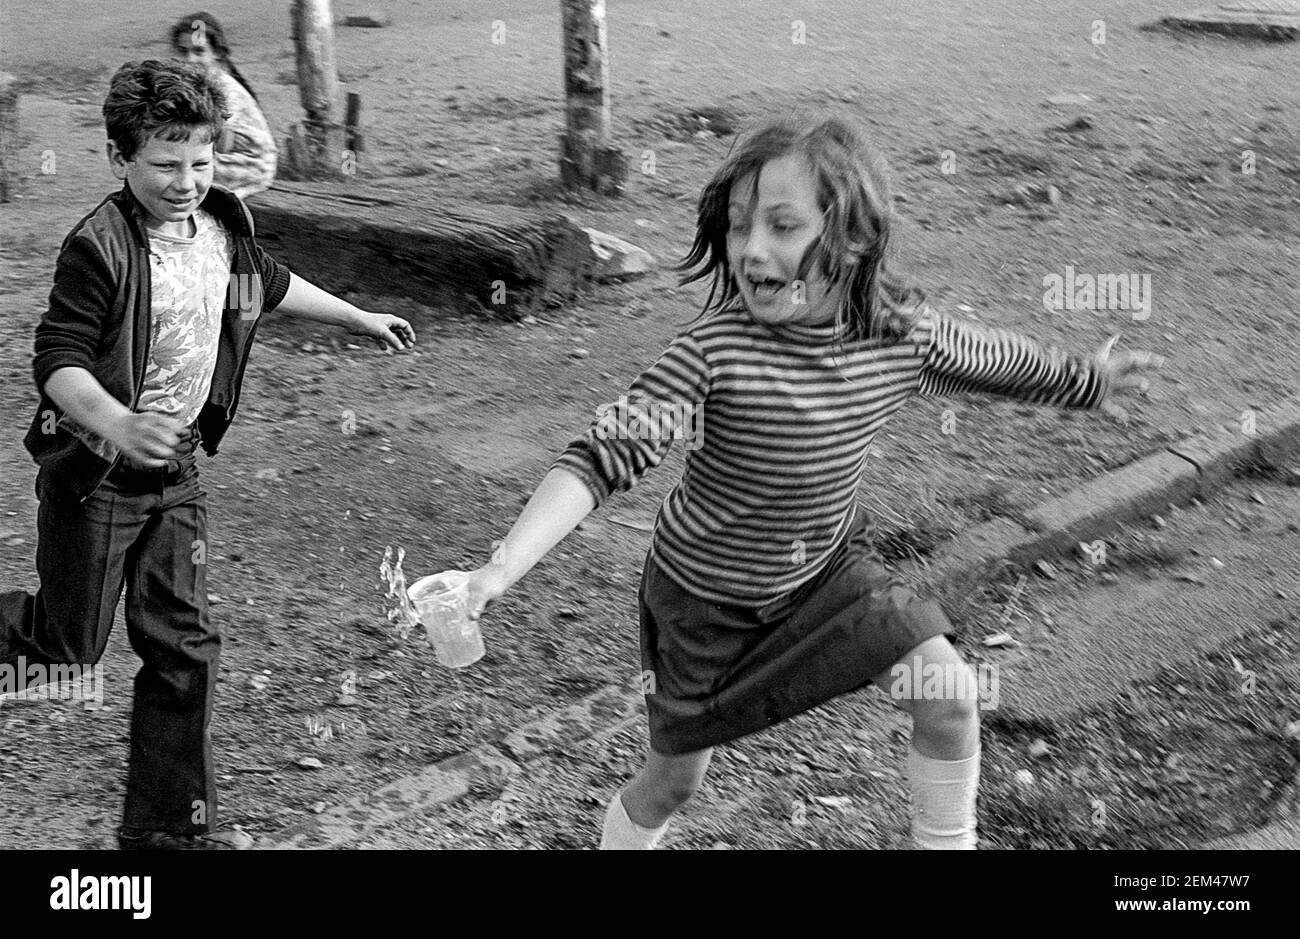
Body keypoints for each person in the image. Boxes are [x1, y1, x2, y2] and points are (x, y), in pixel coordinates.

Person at [458, 116, 1164, 850]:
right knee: (674, 783)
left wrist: (1087, 381)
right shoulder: (711, 351)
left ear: (852, 238)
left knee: (950, 696)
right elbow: (602, 455)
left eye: (782, 226)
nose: (752, 250)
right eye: (737, 227)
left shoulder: (899, 335)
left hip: (826, 578)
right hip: (705, 608)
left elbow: (998, 359)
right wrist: (502, 565)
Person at [0, 59, 415, 850]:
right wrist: (118, 422)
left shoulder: (225, 229)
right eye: (165, 164)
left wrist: (358, 317)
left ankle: (169, 829)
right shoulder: (99, 247)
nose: (187, 179)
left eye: (201, 160)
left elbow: (271, 283)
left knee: (182, 643)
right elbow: (56, 362)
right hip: (96, 479)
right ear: (118, 159)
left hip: (177, 471)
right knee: (67, 649)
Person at [170, 12, 276, 199]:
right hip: (221, 159)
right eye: (183, 52)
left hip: (250, 164)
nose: (190, 60)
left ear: (217, 52)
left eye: (199, 51)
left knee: (175, 169)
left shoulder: (225, 89)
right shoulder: (195, 85)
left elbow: (223, 144)